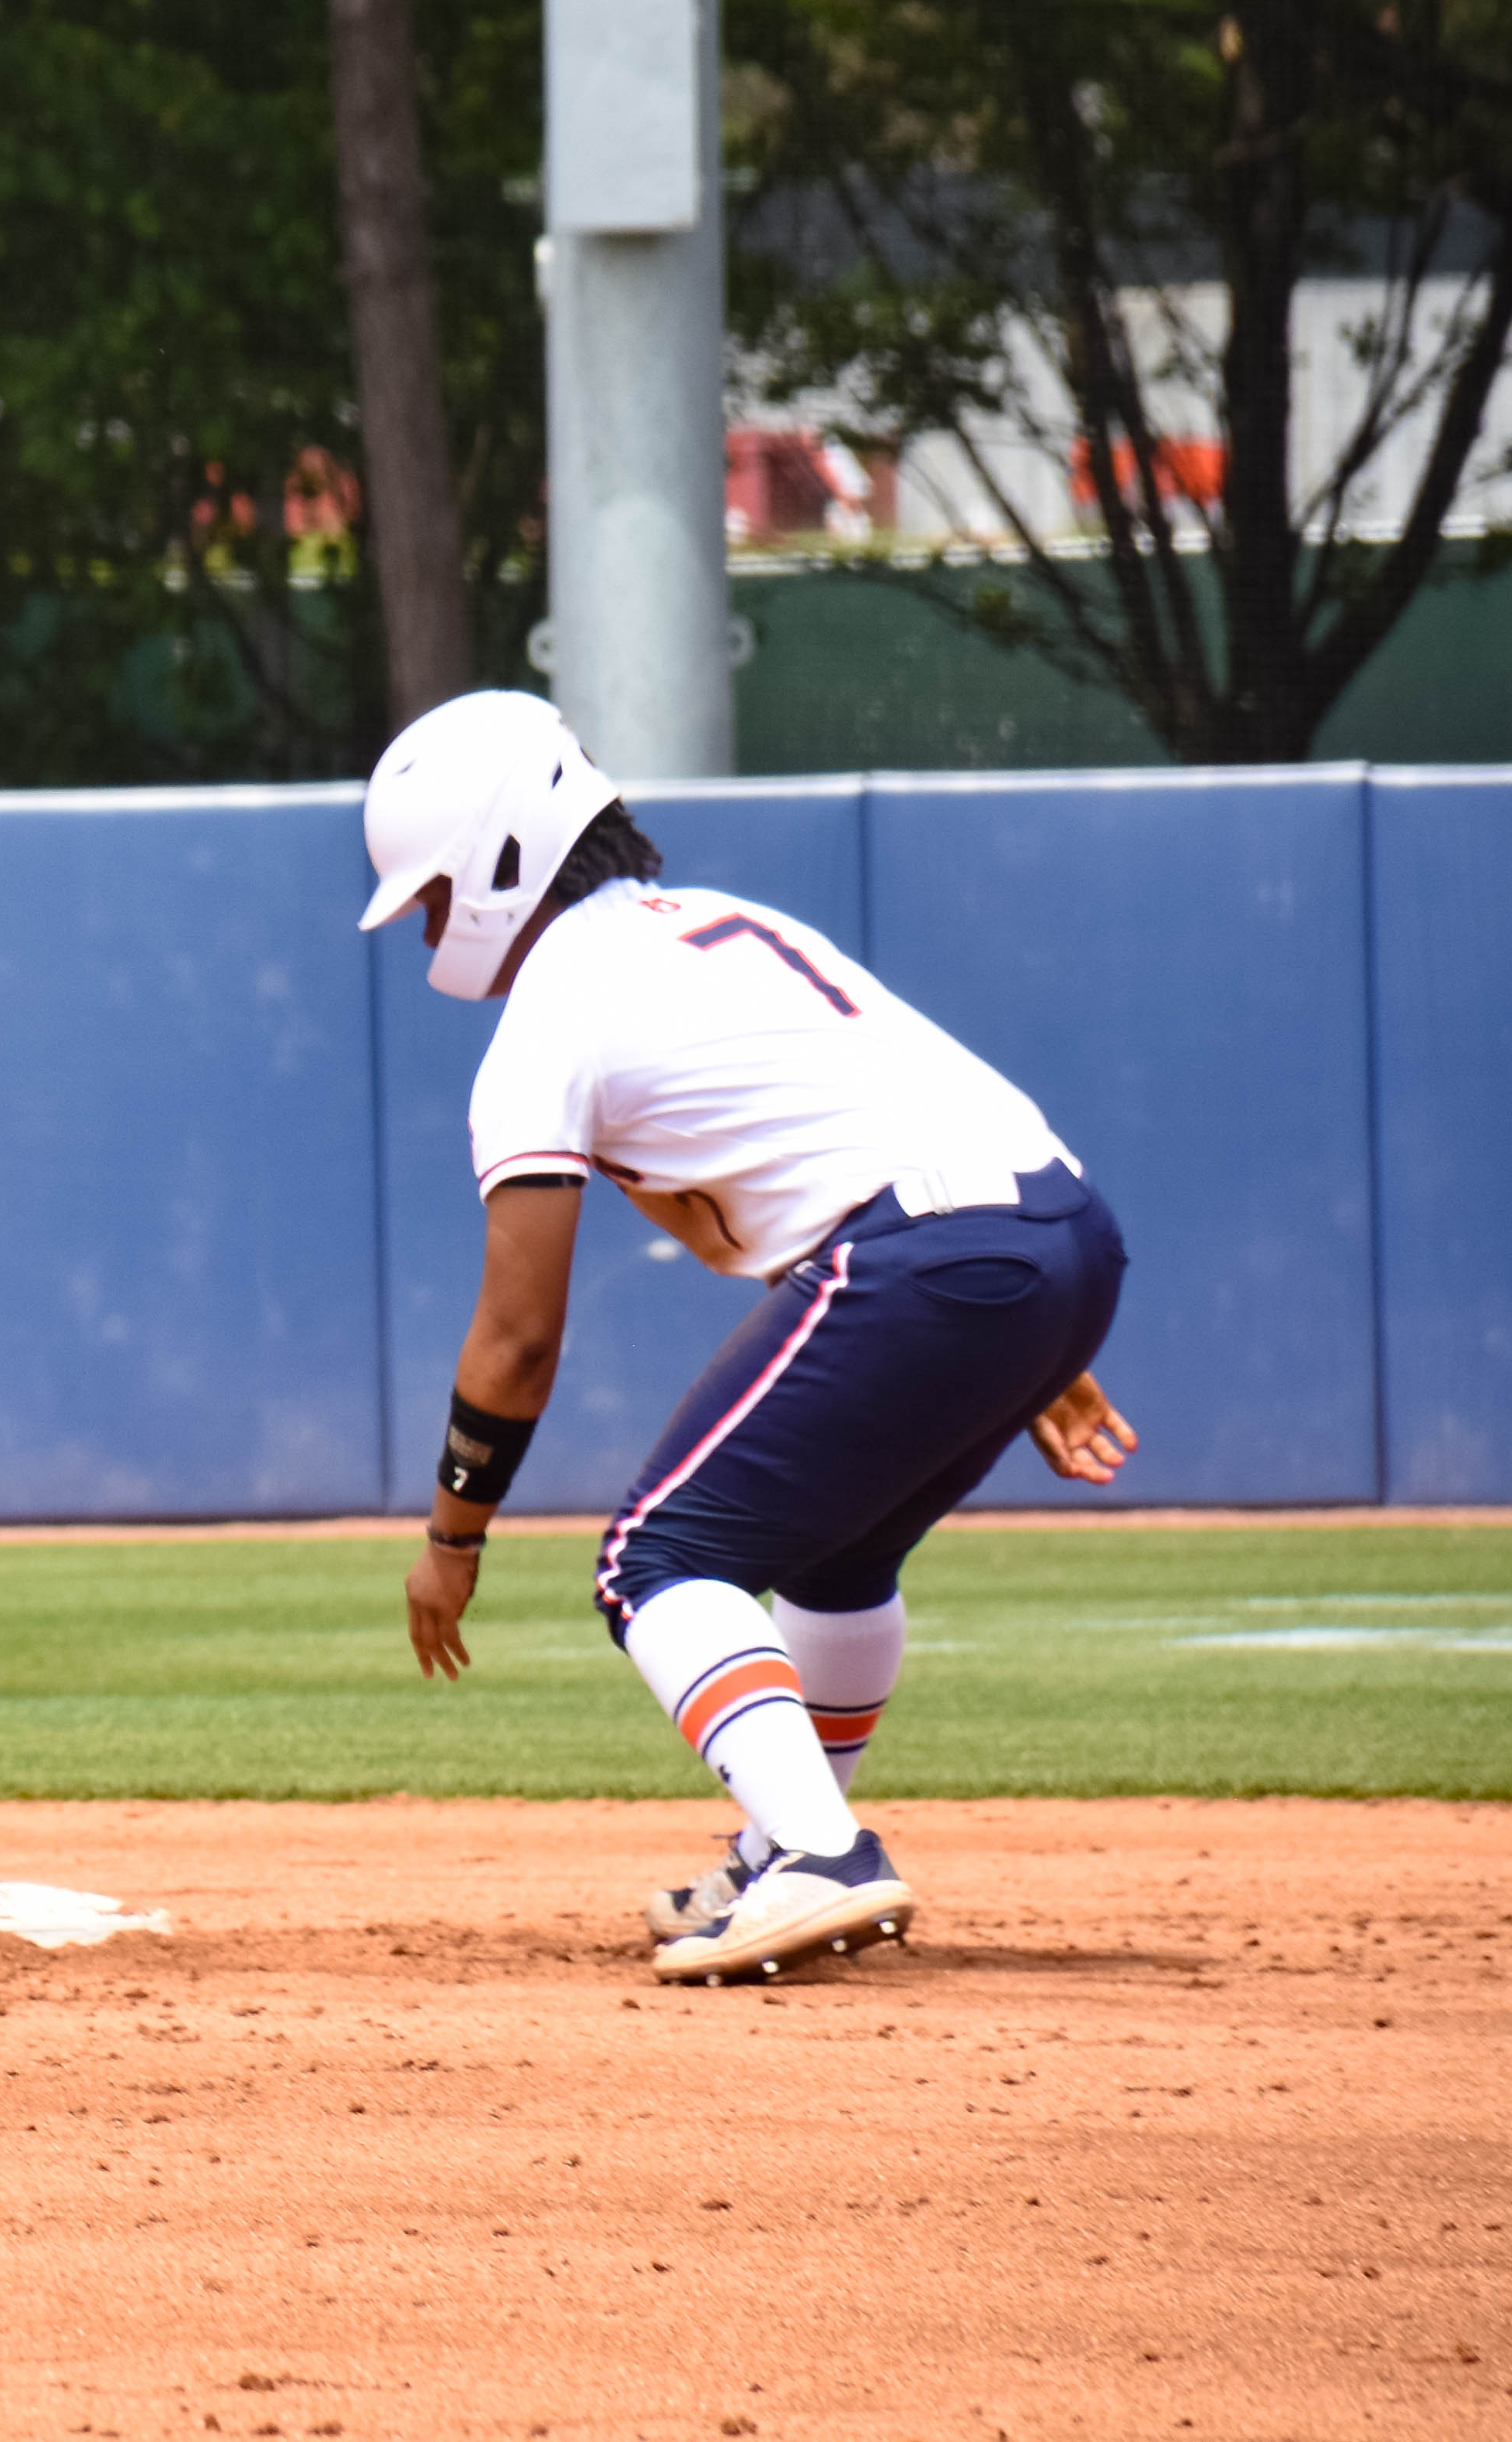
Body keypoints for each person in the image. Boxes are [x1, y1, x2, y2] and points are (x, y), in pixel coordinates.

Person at [360, 690, 1138, 1987]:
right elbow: (897, 1105)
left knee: (654, 1558)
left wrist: (452, 1539)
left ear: (500, 859)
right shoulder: (728, 924)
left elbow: (516, 1339)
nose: (432, 928)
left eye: (434, 895)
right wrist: (1036, 1330)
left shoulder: (546, 1023)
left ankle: (821, 1853)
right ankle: (785, 1840)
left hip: (933, 1251)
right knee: (838, 1558)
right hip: (1063, 1226)